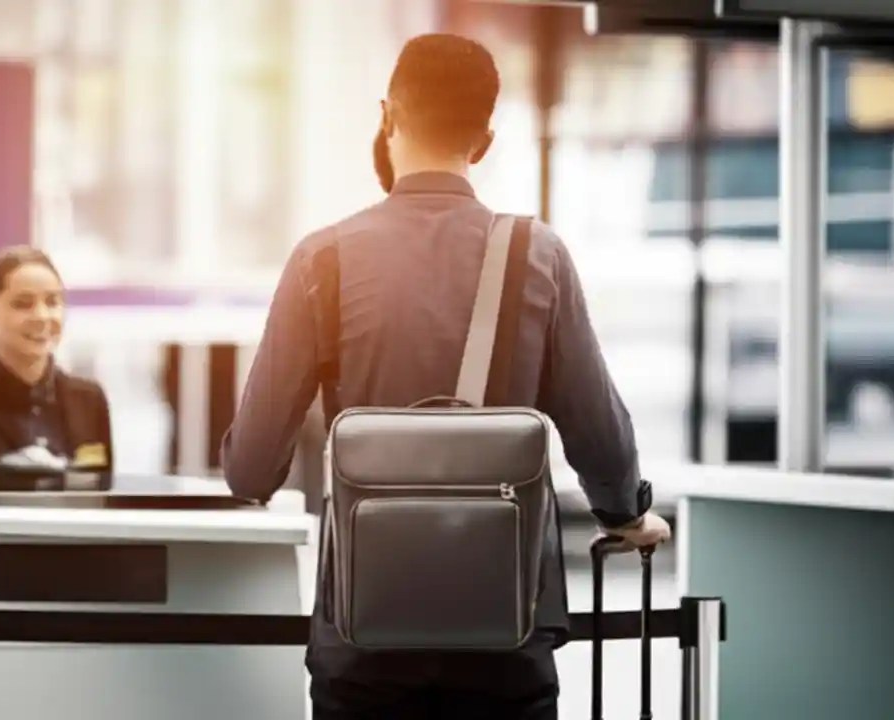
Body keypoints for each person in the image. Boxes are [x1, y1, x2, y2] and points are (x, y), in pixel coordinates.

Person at [221, 33, 670, 719]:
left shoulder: (323, 260)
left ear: (388, 116)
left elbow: (251, 468)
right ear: (485, 139)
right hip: (504, 639)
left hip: (364, 644)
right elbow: (601, 439)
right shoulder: (536, 255)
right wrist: (627, 515)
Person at [0, 246, 113, 491]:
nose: (41, 316)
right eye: (22, 304)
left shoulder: (89, 400)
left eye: (52, 302)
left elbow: (103, 498)